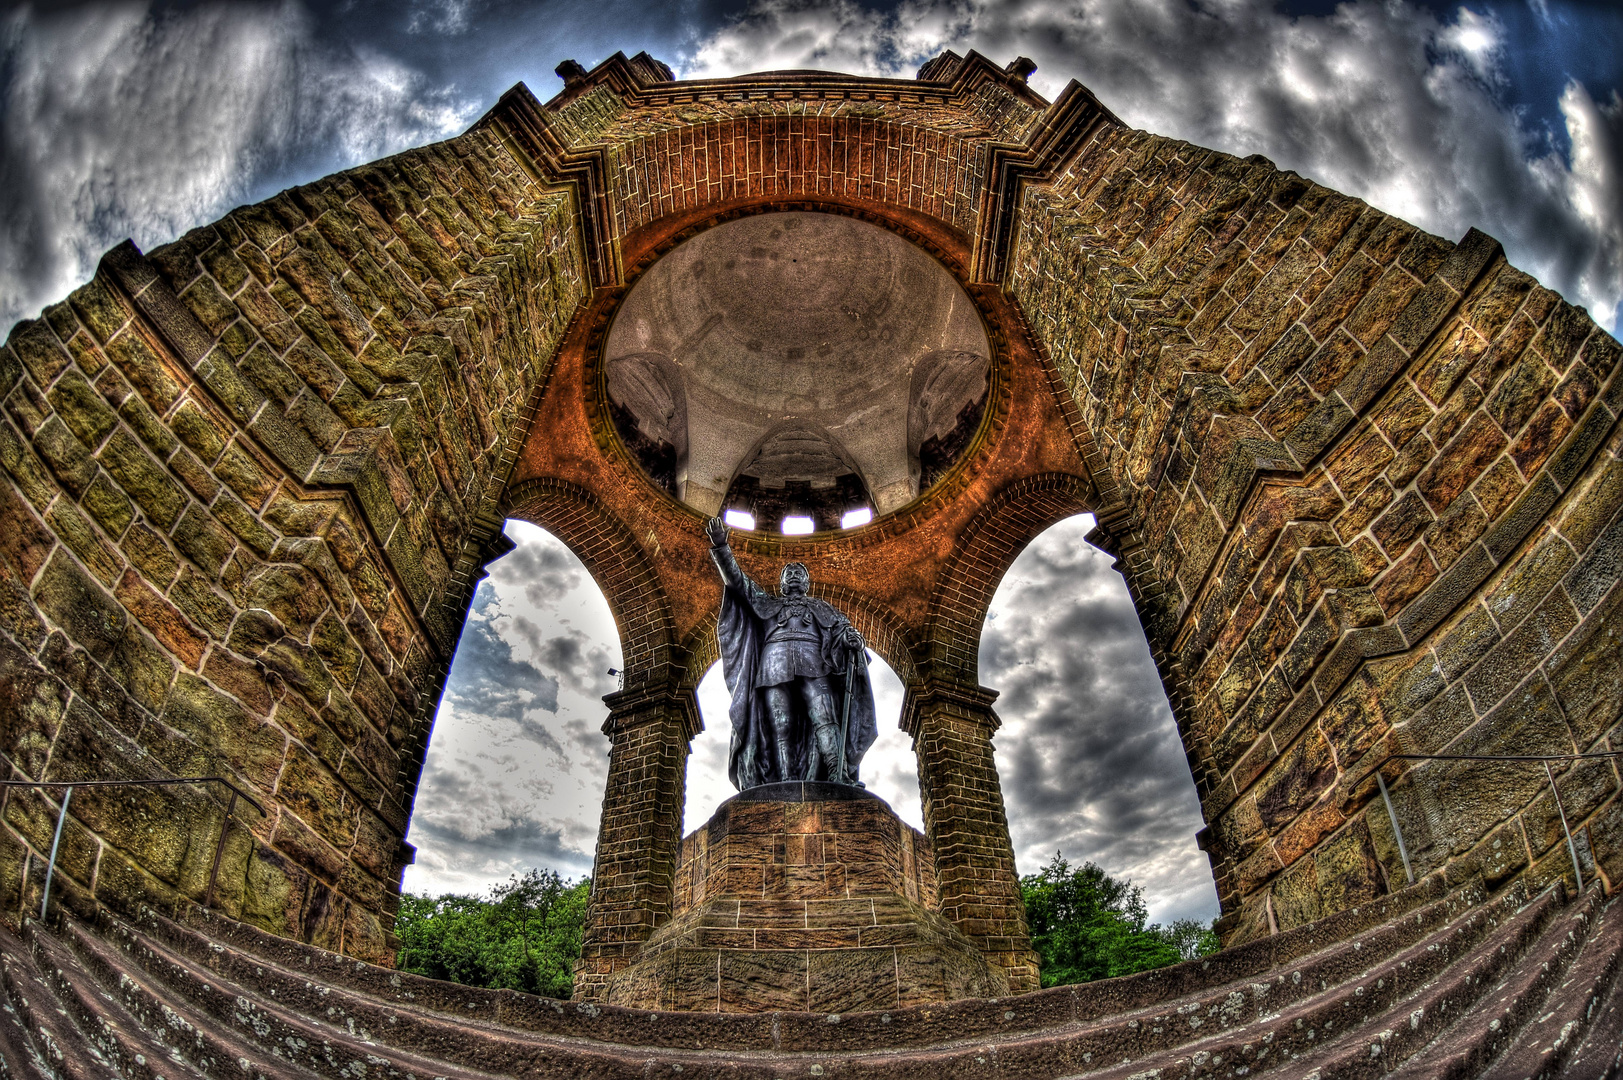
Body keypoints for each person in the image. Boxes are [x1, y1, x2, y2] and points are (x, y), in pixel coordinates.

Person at [705, 516, 877, 790]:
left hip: (815, 665)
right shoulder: (767, 603)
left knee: (824, 719)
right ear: (782, 583)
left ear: (807, 584)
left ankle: (837, 775)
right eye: (790, 572)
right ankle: (783, 782)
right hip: (774, 666)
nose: (795, 574)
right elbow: (738, 582)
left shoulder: (823, 607)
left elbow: (842, 631)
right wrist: (722, 548)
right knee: (779, 726)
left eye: (800, 573)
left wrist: (852, 639)